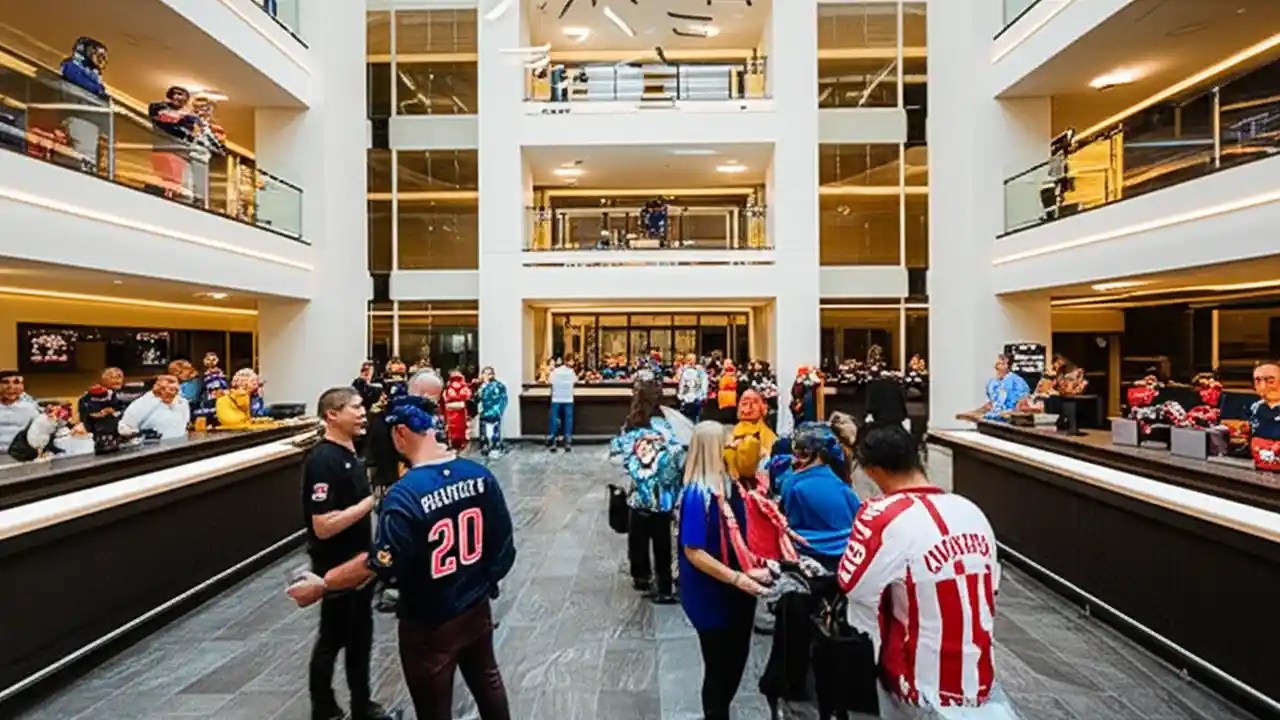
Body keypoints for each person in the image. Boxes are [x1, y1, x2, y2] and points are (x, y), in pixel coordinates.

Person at [289, 395, 516, 720]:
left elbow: (382, 560)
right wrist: (484, 583)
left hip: (428, 619)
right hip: (475, 608)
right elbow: (504, 547)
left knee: (434, 704)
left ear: (400, 434)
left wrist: (325, 583)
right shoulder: (478, 476)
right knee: (487, 680)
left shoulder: (405, 495)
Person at [838, 423, 1017, 718]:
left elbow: (852, 583)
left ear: (871, 471)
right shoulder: (972, 510)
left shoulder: (880, 515)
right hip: (980, 675)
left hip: (914, 684)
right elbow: (991, 588)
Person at [300, 388, 394, 720]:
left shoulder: (351, 453)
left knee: (360, 639)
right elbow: (323, 525)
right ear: (332, 415)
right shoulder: (323, 461)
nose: (362, 413)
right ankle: (323, 708)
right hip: (335, 566)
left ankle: (361, 703)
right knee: (331, 639)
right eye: (355, 408)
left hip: (360, 564)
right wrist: (372, 502)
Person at [678, 421, 774, 720]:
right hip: (712, 593)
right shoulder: (696, 495)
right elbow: (693, 551)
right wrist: (736, 578)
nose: (732, 446)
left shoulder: (731, 485)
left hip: (738, 587)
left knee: (737, 659)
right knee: (719, 666)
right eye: (726, 442)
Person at [610, 370, 684, 604]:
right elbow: (678, 457)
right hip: (662, 496)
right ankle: (664, 586)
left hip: (639, 495)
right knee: (662, 543)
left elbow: (617, 454)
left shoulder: (632, 423)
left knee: (638, 538)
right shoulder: (668, 422)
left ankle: (641, 576)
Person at [119, 374, 190, 439]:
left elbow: (186, 422)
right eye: (170, 390)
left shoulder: (182, 402)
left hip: (179, 445)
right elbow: (124, 428)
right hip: (150, 447)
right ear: (159, 389)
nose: (172, 393)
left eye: (176, 390)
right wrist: (139, 434)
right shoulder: (143, 403)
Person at [980, 354, 1030, 421]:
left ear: (1006, 365)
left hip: (1010, 422)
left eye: (999, 364)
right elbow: (990, 404)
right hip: (991, 421)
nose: (995, 367)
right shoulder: (992, 383)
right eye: (996, 364)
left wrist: (1009, 413)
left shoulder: (1018, 382)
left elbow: (1023, 406)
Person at [0, 371, 39, 451]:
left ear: (22, 387)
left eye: (16, 383)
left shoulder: (30, 408)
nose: (11, 386)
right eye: (5, 382)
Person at [476, 366, 509, 457]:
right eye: (483, 373)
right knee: (485, 431)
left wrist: (497, 410)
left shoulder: (496, 386)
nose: (483, 376)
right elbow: (478, 398)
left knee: (493, 431)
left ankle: (494, 447)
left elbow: (501, 399)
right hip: (485, 412)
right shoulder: (483, 386)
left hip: (492, 412)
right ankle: (486, 447)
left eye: (486, 374)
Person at [547, 356, 577, 452]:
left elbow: (550, 383)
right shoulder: (571, 372)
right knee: (568, 419)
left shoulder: (554, 372)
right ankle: (567, 440)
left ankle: (553, 441)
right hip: (568, 398)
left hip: (556, 398)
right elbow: (575, 381)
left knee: (554, 419)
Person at [676, 353, 708, 422]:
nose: (692, 362)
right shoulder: (683, 369)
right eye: (690, 360)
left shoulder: (698, 369)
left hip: (692, 397)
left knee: (692, 415)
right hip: (689, 397)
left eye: (693, 360)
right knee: (692, 415)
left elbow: (704, 382)